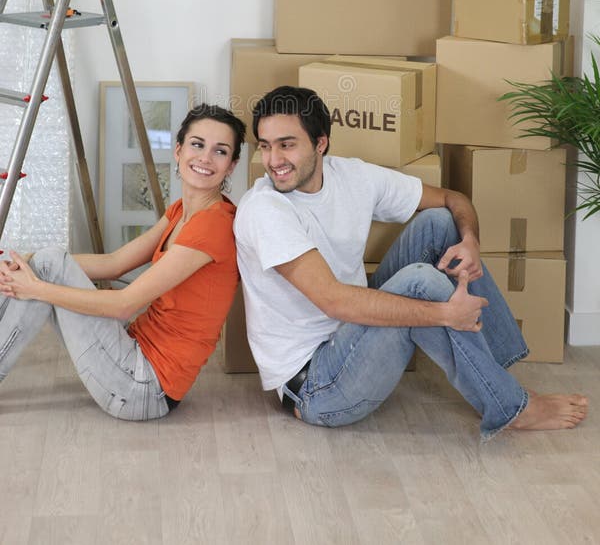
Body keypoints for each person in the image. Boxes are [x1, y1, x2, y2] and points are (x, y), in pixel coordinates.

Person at [234, 85, 587, 438]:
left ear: (320, 143)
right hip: (317, 387)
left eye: (286, 144)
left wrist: (470, 240)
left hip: (354, 332)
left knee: (440, 223)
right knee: (420, 282)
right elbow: (334, 301)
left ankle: (501, 380)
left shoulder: (352, 176)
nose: (273, 160)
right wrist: (445, 314)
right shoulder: (265, 209)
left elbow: (453, 199)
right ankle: (509, 406)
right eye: (265, 146)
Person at [0, 103, 245, 421]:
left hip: (144, 388)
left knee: (44, 269)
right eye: (197, 145)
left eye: (220, 151)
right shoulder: (181, 211)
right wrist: (25, 261)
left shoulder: (212, 226)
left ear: (231, 165)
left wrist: (36, 287)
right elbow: (114, 264)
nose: (205, 158)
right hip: (133, 353)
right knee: (43, 262)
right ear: (179, 150)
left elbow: (124, 305)